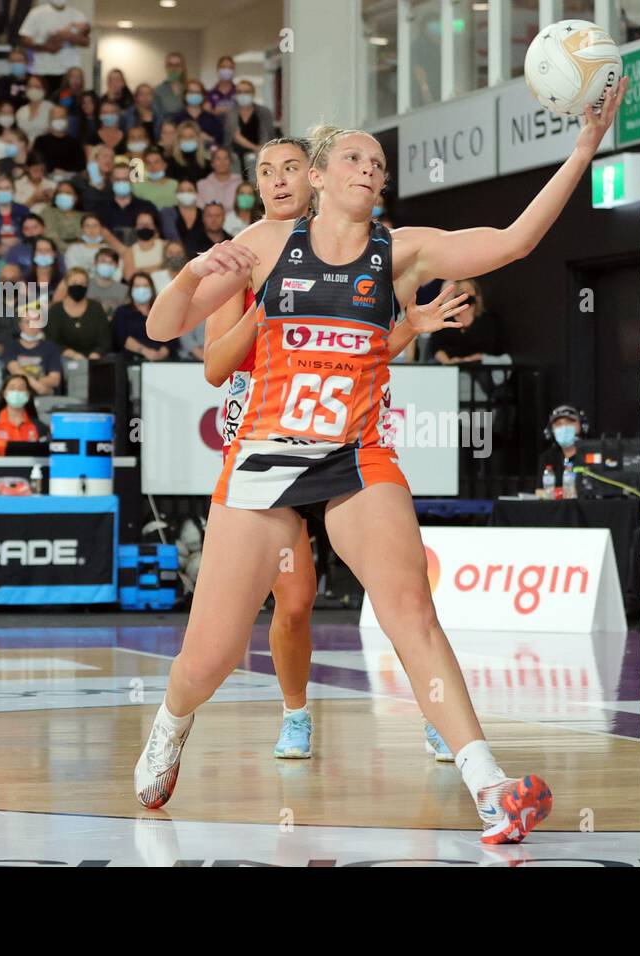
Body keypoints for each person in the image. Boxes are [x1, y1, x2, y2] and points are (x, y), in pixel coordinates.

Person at [137, 92, 626, 835]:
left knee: (413, 614)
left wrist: (584, 149)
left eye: (380, 163)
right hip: (263, 457)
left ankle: (489, 786)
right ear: (323, 178)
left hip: (356, 455)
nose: (370, 169)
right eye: (356, 158)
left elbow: (514, 241)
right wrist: (193, 271)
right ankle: (171, 724)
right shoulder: (267, 245)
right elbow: (162, 325)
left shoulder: (401, 250)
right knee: (211, 656)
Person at [195, 137, 470, 762]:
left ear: (314, 177)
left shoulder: (372, 245)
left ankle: (439, 710)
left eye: (290, 168)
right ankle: (295, 714)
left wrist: (412, 327)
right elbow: (214, 367)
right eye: (266, 173)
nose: (279, 181)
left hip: (349, 439)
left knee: (400, 591)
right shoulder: (243, 255)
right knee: (293, 600)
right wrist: (264, 311)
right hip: (268, 443)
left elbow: (373, 349)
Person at [18, 0, 91, 93]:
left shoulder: (78, 15)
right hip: (43, 70)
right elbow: (24, 39)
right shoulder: (36, 13)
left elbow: (86, 41)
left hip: (68, 72)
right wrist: (46, 47)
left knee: (66, 103)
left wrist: (69, 36)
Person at [427, 277, 503, 363]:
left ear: (477, 296)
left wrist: (466, 361)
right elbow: (435, 346)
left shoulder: (486, 321)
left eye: (468, 290)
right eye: (461, 291)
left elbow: (488, 349)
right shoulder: (445, 318)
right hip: (446, 365)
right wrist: (448, 363)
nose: (464, 294)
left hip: (476, 367)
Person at [0, 374, 50, 455]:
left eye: (21, 388)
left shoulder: (40, 427)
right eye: (12, 388)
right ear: (4, 393)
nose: (16, 391)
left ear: (28, 394)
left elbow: (46, 457)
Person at [45, 268, 108, 360]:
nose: (78, 286)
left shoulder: (96, 308)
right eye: (74, 283)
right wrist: (71, 354)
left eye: (82, 283)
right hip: (64, 358)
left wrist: (96, 354)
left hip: (94, 358)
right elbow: (51, 341)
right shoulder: (55, 310)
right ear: (66, 284)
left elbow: (105, 339)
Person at [111, 271, 173, 361]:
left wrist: (164, 351)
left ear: (151, 288)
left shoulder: (161, 311)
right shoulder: (122, 312)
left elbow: (172, 336)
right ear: (131, 289)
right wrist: (145, 351)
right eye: (137, 286)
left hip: (162, 362)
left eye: (145, 286)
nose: (141, 289)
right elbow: (120, 338)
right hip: (131, 361)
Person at [222, 80, 275, 180]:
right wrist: (255, 148)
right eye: (240, 92)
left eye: (247, 92)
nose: (243, 95)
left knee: (255, 161)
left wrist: (261, 149)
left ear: (253, 93)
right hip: (236, 153)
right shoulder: (231, 114)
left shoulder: (264, 112)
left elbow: (268, 135)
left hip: (260, 152)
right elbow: (236, 137)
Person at [2, 310, 64, 396]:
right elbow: (14, 370)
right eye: (27, 322)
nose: (31, 326)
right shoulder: (11, 346)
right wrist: (37, 386)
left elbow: (55, 380)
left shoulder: (50, 347)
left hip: (43, 396)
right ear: (20, 325)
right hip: (19, 393)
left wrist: (33, 383)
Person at [101, 163, 158, 245]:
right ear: (111, 180)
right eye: (117, 180)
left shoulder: (147, 207)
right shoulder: (102, 208)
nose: (121, 183)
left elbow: (156, 233)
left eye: (125, 179)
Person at [537, 404, 585, 492]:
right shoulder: (547, 457)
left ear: (581, 426)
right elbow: (539, 492)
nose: (564, 427)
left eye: (569, 422)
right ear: (552, 430)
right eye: (558, 424)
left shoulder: (591, 454)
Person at [34, 105, 84, 175]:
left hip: (70, 179)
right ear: (50, 121)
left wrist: (66, 173)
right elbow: (35, 164)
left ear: (67, 120)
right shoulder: (40, 141)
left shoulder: (75, 143)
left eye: (61, 117)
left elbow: (81, 167)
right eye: (55, 118)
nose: (59, 120)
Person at [174, 80, 224, 148]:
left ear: (203, 96)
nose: (194, 95)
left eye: (197, 92)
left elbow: (220, 141)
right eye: (191, 92)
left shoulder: (212, 118)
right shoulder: (177, 118)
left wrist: (208, 138)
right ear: (185, 95)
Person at [161, 181, 206, 251]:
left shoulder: (204, 214)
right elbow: (171, 236)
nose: (185, 194)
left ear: (197, 192)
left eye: (190, 190)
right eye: (181, 191)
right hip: (175, 255)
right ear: (176, 193)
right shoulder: (168, 213)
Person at [197, 146, 243, 211]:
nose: (222, 162)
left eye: (225, 158)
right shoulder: (202, 185)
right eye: (218, 158)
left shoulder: (240, 183)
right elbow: (200, 209)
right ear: (212, 163)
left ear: (230, 162)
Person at [40, 181, 82, 247]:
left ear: (76, 197)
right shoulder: (48, 212)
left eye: (68, 193)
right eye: (60, 193)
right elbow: (51, 236)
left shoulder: (83, 216)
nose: (63, 196)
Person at [16, 76, 53, 142]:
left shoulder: (51, 108)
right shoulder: (21, 111)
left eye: (37, 87)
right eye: (30, 86)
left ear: (44, 89)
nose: (33, 89)